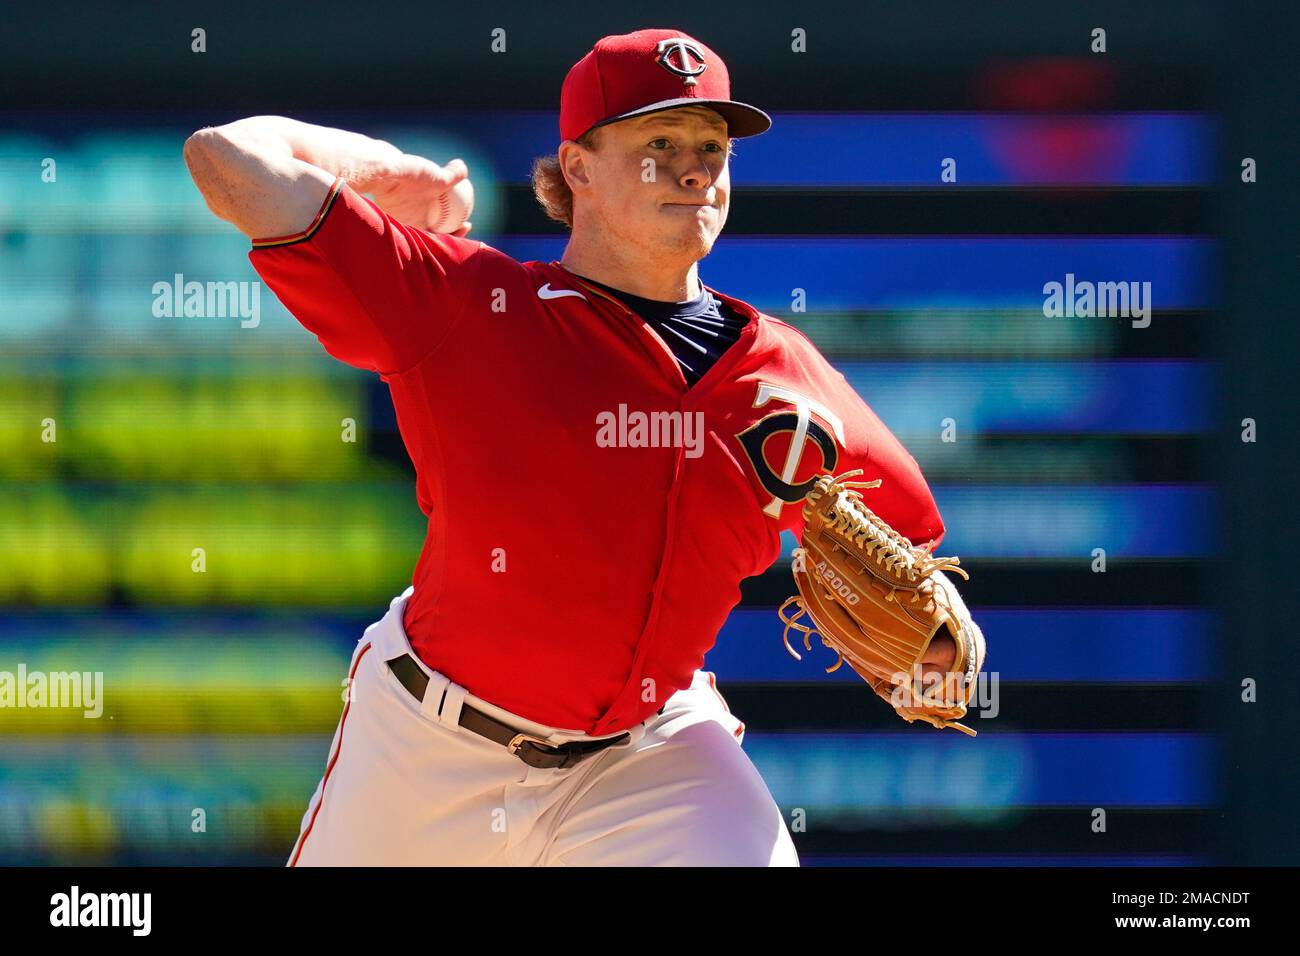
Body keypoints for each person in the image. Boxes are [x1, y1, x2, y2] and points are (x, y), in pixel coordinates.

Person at [183, 27, 957, 867]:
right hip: (428, 747)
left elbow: (909, 545)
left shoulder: (785, 377)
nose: (694, 168)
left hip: (650, 758)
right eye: (658, 142)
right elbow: (225, 160)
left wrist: (942, 648)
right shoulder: (470, 307)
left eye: (711, 145)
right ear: (576, 168)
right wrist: (386, 175)